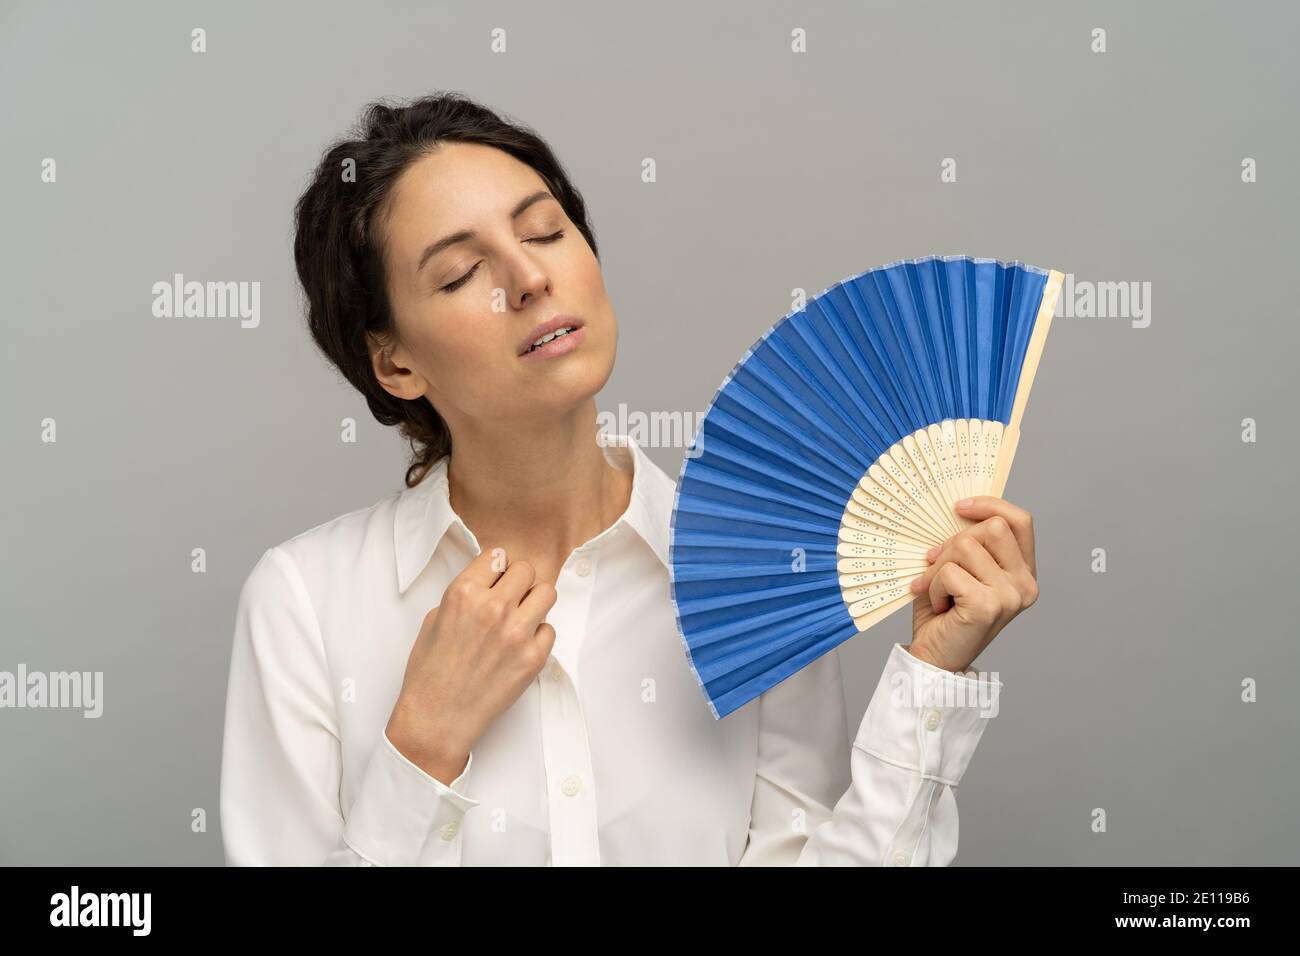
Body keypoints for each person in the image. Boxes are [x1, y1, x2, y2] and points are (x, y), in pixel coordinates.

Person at [219, 92, 1041, 866]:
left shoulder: (755, 575)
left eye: (545, 231)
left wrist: (933, 679)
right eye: (462, 273)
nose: (529, 278)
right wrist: (422, 745)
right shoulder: (304, 604)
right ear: (395, 362)